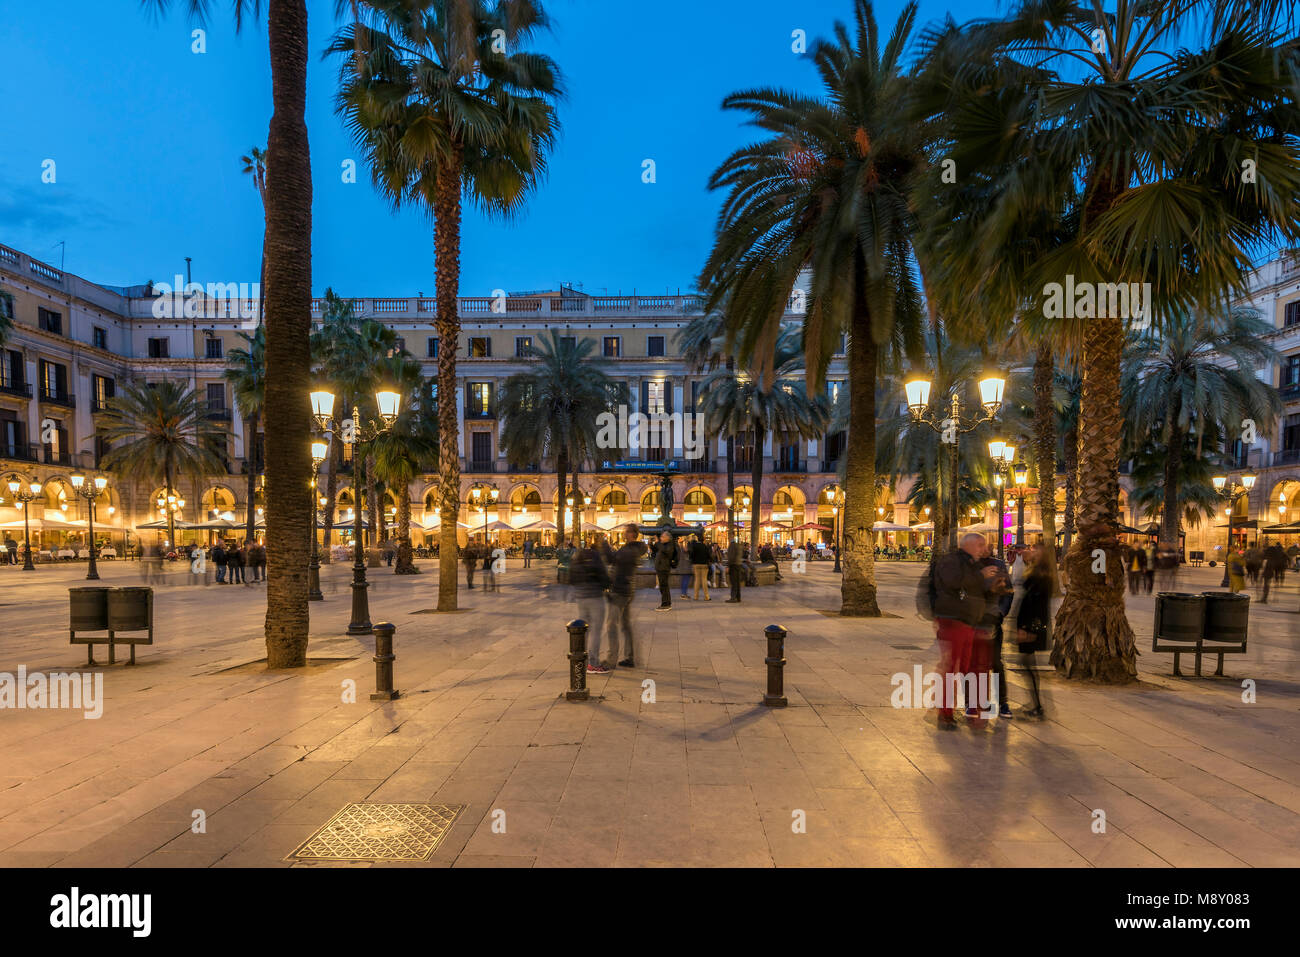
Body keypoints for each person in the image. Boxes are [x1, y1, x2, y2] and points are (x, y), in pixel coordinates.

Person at [931, 533, 993, 728]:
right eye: (980, 544)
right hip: (953, 621)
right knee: (952, 668)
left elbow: (975, 591)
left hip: (968, 623)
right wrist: (980, 576)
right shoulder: (952, 562)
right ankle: (945, 713)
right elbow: (954, 583)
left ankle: (955, 708)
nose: (984, 548)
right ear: (968, 545)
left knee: (963, 667)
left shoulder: (973, 563)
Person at [974, 539, 1014, 720]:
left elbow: (1008, 592)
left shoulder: (998, 565)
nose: (985, 549)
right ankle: (977, 702)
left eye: (986, 546)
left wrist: (1002, 612)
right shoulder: (971, 567)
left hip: (993, 622)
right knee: (976, 664)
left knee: (996, 663)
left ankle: (1003, 702)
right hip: (974, 622)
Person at [1015, 543, 1052, 718]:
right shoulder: (1038, 572)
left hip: (1030, 627)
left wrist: (1025, 628)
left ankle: (1038, 706)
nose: (1031, 551)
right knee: (1028, 666)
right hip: (1029, 626)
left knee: (1028, 666)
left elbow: (1035, 605)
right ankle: (1037, 704)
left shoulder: (1040, 576)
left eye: (1036, 550)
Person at [603, 525, 646, 669]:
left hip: (620, 591)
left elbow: (614, 560)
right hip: (627, 590)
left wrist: (604, 545)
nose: (623, 533)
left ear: (633, 534)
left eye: (626, 531)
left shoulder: (630, 550)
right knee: (625, 625)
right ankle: (629, 657)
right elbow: (614, 560)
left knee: (611, 625)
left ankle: (611, 659)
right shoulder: (631, 549)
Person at [653, 530, 677, 610]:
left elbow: (666, 551)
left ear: (668, 538)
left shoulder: (670, 545)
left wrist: (657, 543)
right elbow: (656, 550)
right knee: (663, 586)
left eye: (662, 537)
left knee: (664, 586)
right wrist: (652, 543)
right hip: (661, 568)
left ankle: (666, 604)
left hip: (664, 568)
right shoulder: (663, 545)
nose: (661, 538)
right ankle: (666, 603)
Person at [689, 533, 712, 601]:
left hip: (696, 565)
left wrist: (693, 561)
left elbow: (691, 555)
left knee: (697, 580)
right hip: (704, 565)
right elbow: (709, 555)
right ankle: (706, 596)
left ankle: (696, 596)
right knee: (704, 580)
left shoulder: (694, 546)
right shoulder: (705, 546)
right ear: (703, 540)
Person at [726, 537, 745, 602]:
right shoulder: (740, 545)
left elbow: (731, 556)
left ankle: (733, 597)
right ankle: (738, 597)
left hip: (733, 565)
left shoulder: (732, 545)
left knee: (733, 582)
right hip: (739, 565)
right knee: (737, 582)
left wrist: (728, 565)